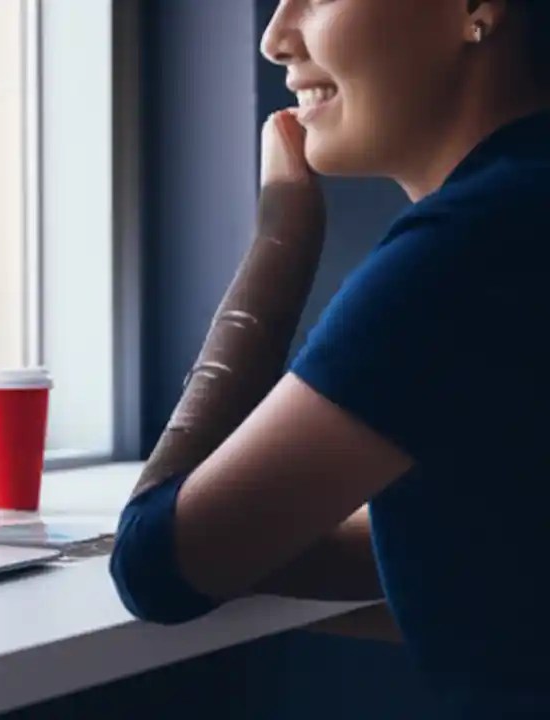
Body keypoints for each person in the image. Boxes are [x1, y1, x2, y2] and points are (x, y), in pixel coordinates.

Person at [110, 0, 550, 714]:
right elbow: (489, 544)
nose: (276, 37)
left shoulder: (469, 248)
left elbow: (156, 563)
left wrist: (279, 233)